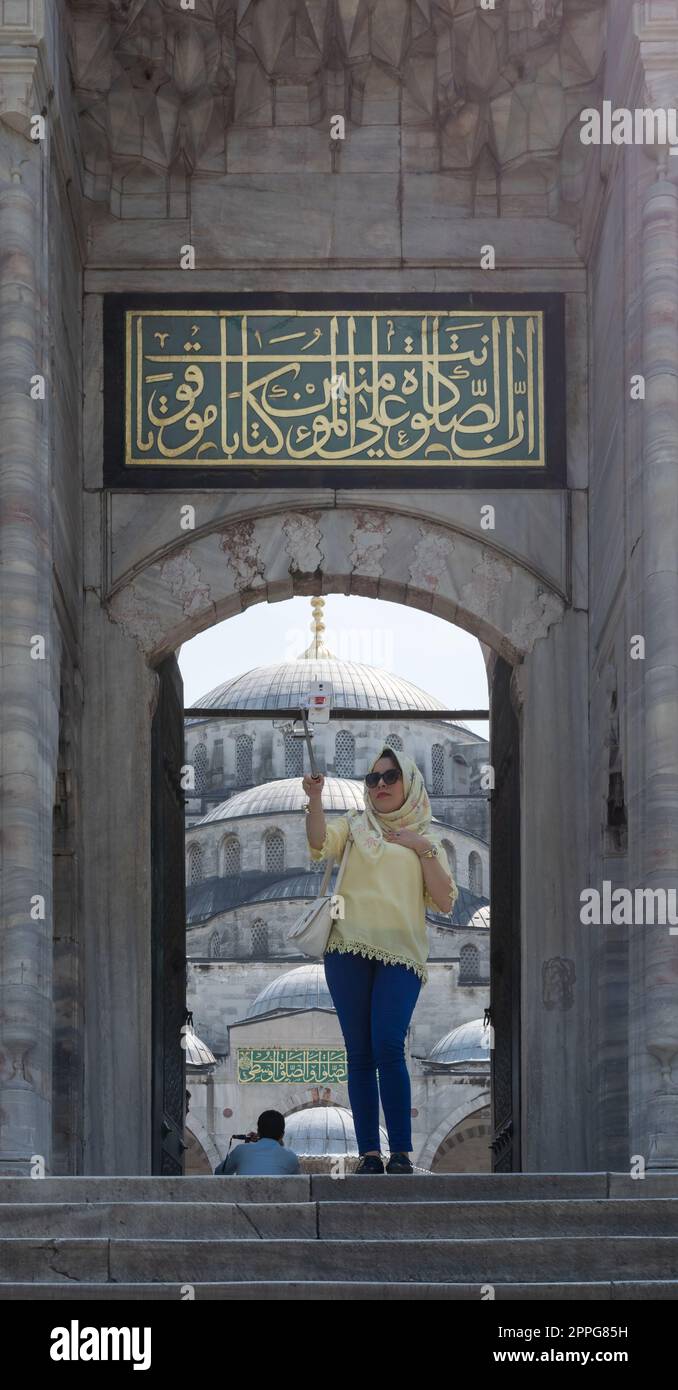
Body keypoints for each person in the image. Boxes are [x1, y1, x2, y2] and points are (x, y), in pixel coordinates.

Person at [303, 743, 458, 1175]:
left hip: (402, 956)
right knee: (360, 1052)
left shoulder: (425, 840)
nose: (381, 785)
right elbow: (318, 844)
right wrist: (314, 799)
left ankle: (401, 1153)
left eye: (391, 777)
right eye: (373, 779)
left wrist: (420, 848)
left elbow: (445, 901)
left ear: (409, 783)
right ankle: (370, 1152)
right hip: (347, 949)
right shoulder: (354, 826)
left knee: (389, 1044)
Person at [214, 1109, 301, 1175]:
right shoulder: (291, 1157)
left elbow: (219, 1173)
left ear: (258, 1131)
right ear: (282, 1135)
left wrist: (247, 1144)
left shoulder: (240, 1151)